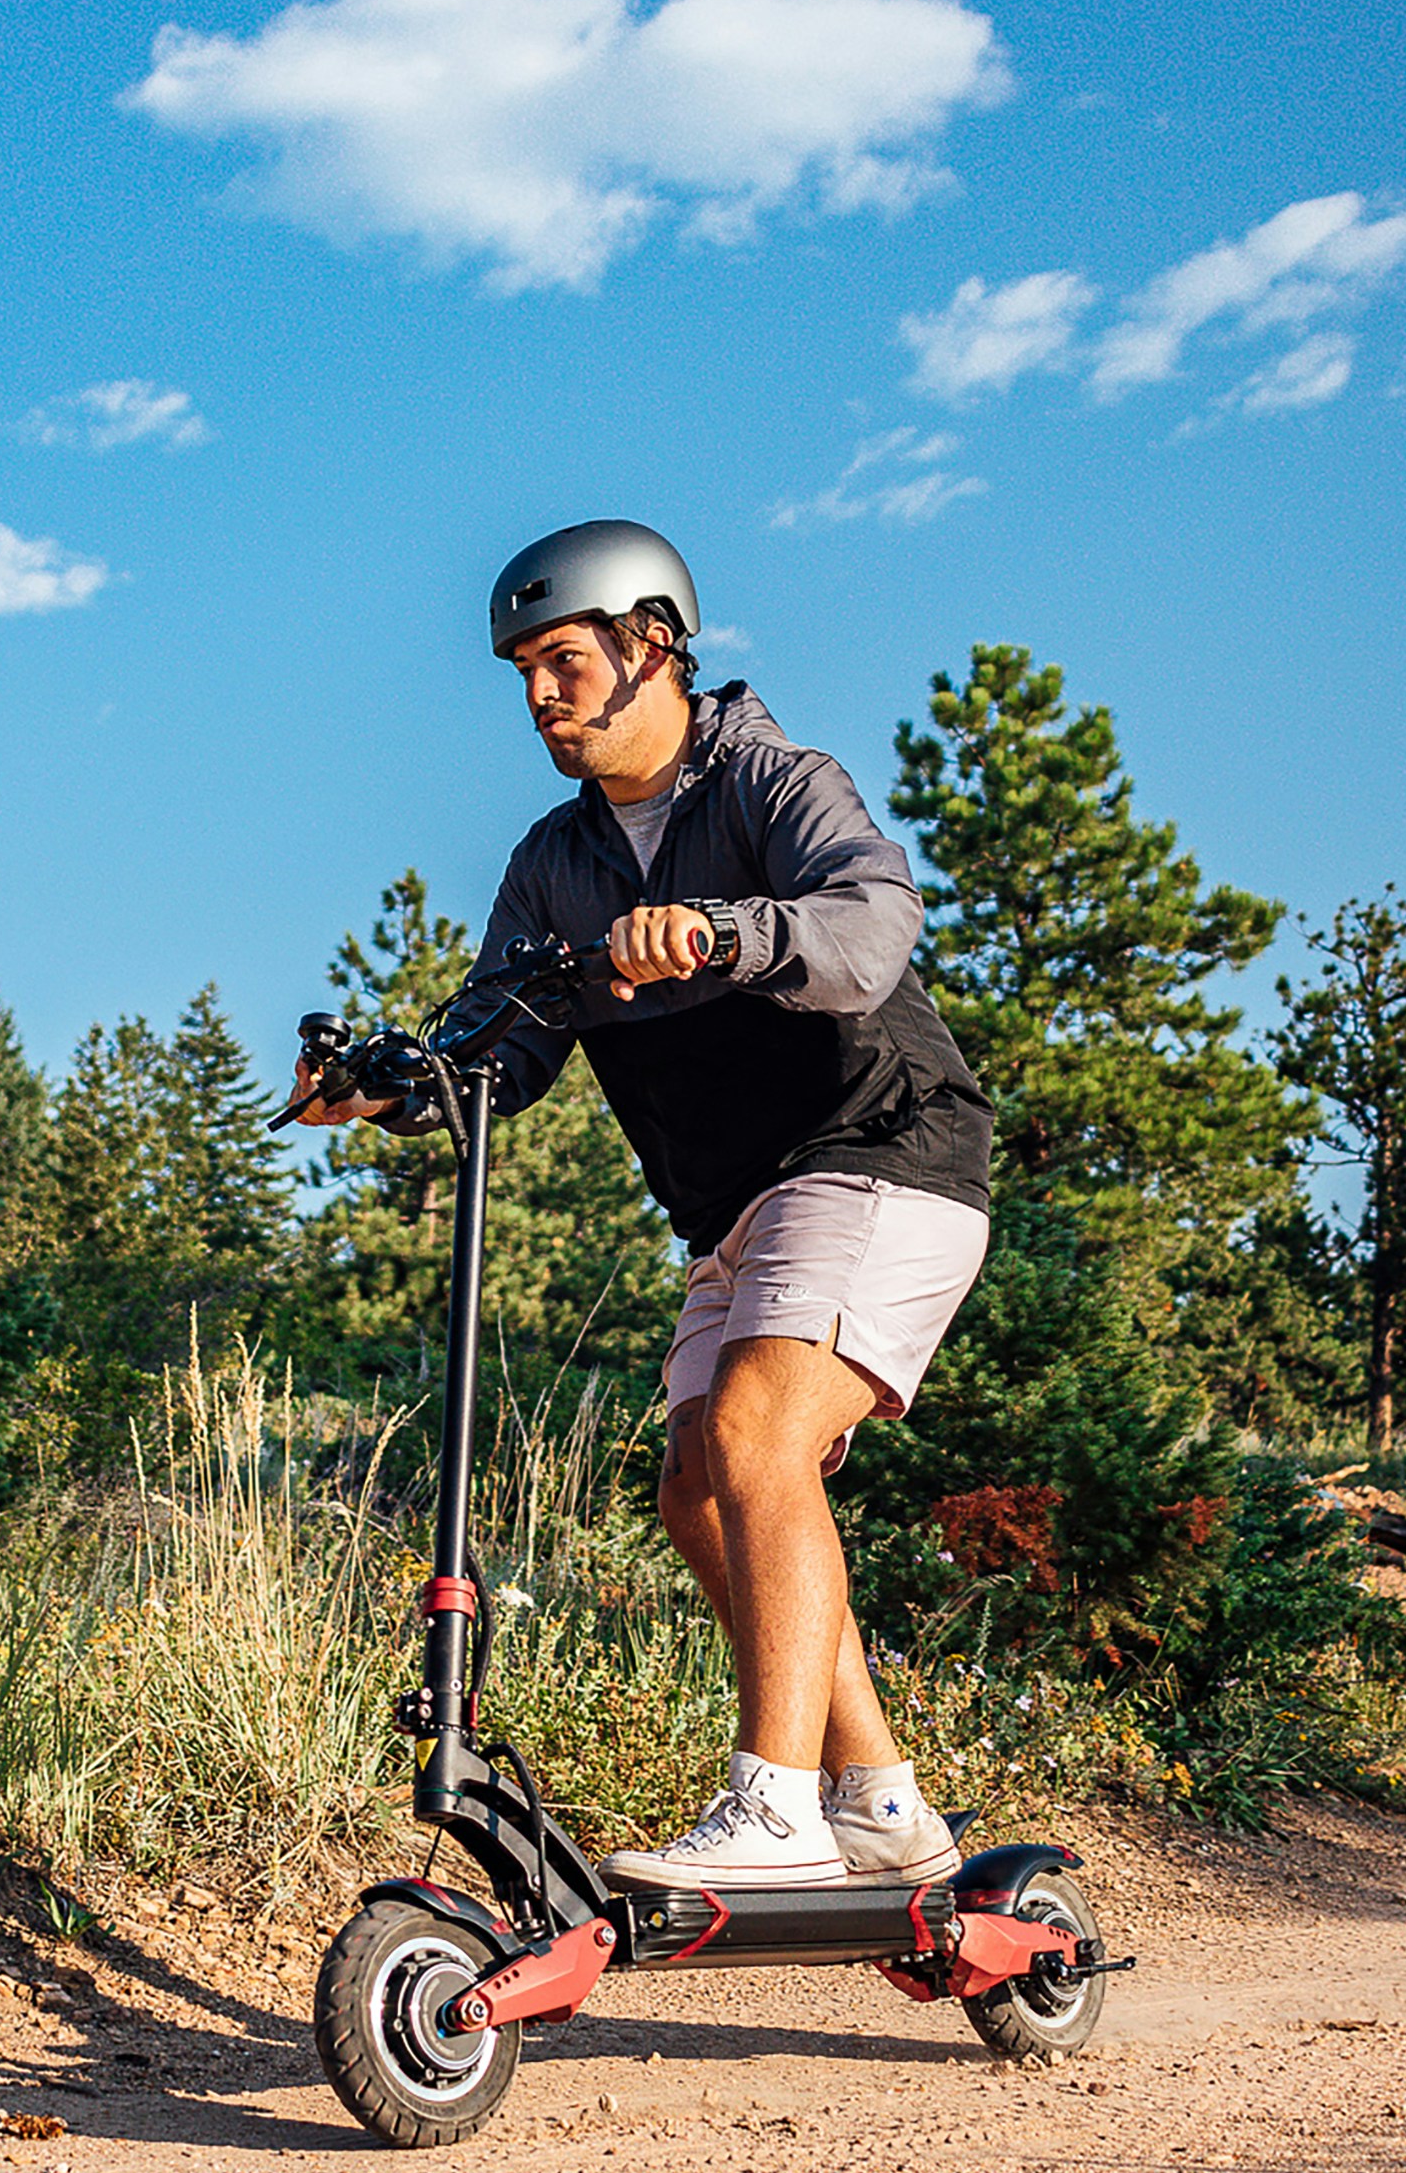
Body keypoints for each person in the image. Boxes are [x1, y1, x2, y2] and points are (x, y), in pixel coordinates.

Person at [299, 517, 991, 1891]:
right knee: (695, 1487)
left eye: (563, 659)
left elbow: (873, 925)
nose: (542, 694)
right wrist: (388, 1087)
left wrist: (732, 931)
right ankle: (881, 1798)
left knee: (755, 1434)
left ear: (651, 646)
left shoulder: (772, 783)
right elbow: (501, 1053)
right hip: (738, 1202)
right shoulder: (553, 863)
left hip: (880, 1149)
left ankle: (776, 1803)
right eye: (523, 673)